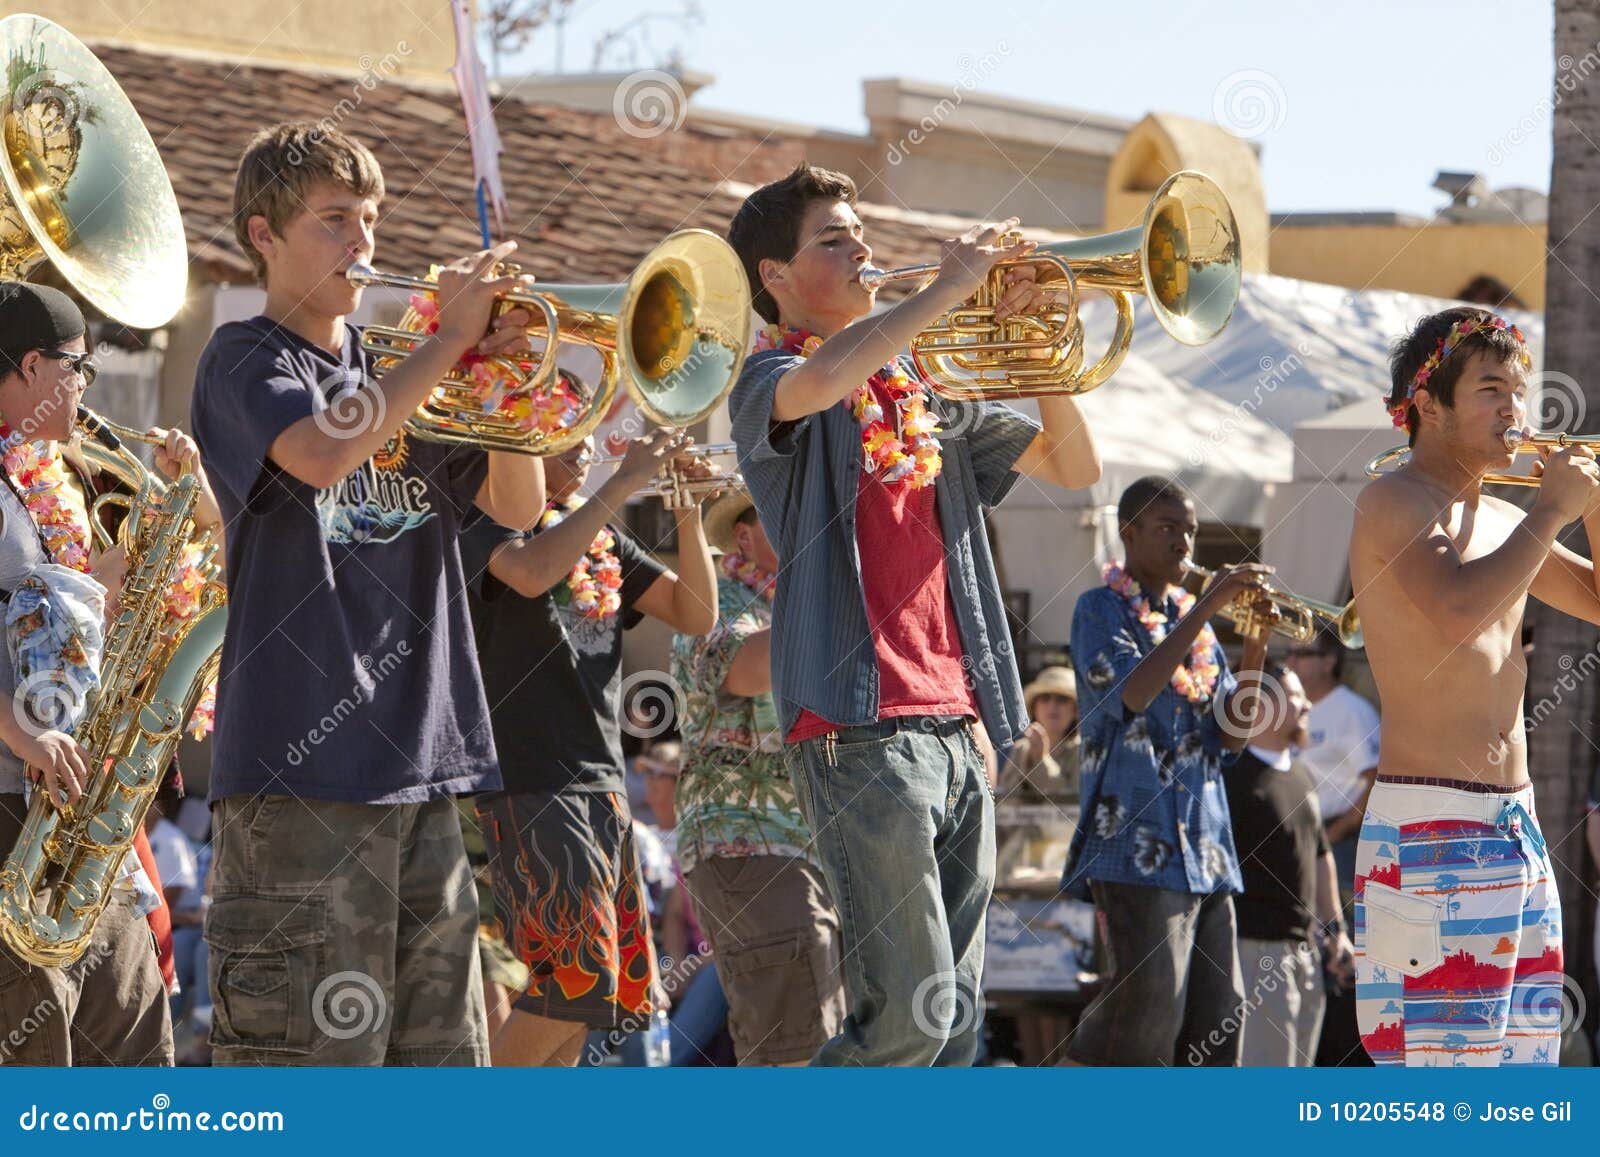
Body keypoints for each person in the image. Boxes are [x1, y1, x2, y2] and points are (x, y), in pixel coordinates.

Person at [727, 162, 1102, 1066]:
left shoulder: (915, 392)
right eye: (833, 238)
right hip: (859, 725)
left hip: (956, 722)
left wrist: (1041, 344)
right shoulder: (767, 379)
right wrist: (947, 287)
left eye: (861, 232)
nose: (861, 248)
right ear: (774, 278)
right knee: (907, 1023)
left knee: (959, 1023)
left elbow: (1075, 464)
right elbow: (822, 382)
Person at [190, 122, 545, 1066]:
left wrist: (504, 388)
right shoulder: (242, 357)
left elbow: (520, 506)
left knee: (440, 1071)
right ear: (263, 235)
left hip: (424, 767)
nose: (364, 242)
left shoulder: (403, 373)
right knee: (310, 1070)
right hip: (300, 775)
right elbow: (319, 451)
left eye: (371, 219)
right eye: (334, 220)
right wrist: (450, 344)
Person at [1348, 305, 1600, 1066]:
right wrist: (1554, 508)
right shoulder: (1390, 500)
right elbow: (1460, 611)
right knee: (1444, 1095)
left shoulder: (1500, 515)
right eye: (1492, 388)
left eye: (1518, 391)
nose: (1515, 410)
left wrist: (1592, 500)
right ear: (1428, 404)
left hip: (1514, 827)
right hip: (1433, 829)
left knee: (1521, 1079)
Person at [461, 431, 718, 1067]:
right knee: (575, 987)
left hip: (597, 784)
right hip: (525, 777)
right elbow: (533, 571)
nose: (581, 451)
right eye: (558, 436)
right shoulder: (478, 520)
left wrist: (687, 505)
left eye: (584, 437)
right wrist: (626, 481)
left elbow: (695, 612)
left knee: (606, 996)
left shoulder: (597, 532)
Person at [0, 282, 173, 1066]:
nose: (83, 387)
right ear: (32, 365)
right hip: (12, 810)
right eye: (77, 367)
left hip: (69, 807)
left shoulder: (33, 481)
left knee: (135, 1040)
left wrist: (162, 531)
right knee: (38, 1056)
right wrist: (19, 732)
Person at [1062, 475, 1276, 1067]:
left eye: (1188, 530)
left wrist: (1255, 646)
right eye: (1167, 529)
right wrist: (1209, 603)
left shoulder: (1197, 629)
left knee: (1220, 1014)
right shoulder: (1099, 609)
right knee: (1147, 1015)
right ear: (1128, 533)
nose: (1184, 544)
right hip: (1134, 846)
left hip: (1206, 851)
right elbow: (1134, 693)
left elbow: (1231, 736)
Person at [671, 488, 846, 1065]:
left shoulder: (797, 602)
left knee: (814, 1040)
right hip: (751, 845)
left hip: (804, 849)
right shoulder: (717, 594)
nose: (802, 528)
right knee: (797, 1046)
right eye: (782, 515)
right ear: (743, 536)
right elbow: (742, 669)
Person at [1222, 664, 1356, 1066]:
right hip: (1254, 950)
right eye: (1296, 696)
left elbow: (1320, 855)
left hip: (1306, 950)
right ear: (1261, 707)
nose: (1308, 704)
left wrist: (1337, 931)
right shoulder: (1231, 776)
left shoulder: (1301, 774)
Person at [1284, 629, 1380, 890]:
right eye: (1288, 653)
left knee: (1337, 922)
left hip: (1339, 842)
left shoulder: (1352, 711)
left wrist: (1339, 830)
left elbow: (1377, 781)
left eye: (1302, 654)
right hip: (1302, 836)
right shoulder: (1292, 707)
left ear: (1329, 662)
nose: (1290, 662)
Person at [1001, 666, 1080, 800]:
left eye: (1062, 699)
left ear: (1075, 710)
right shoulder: (1021, 748)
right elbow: (1004, 800)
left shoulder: (1083, 750)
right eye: (1045, 698)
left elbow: (1070, 804)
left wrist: (1041, 760)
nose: (1052, 706)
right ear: (1034, 708)